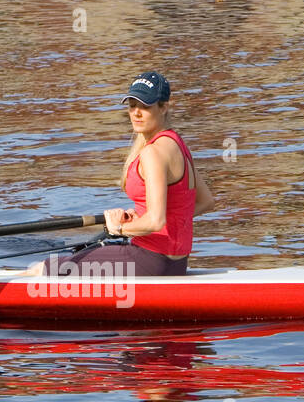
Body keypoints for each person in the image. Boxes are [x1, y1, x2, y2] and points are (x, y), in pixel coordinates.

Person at [35, 71, 215, 277]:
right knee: (76, 257)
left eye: (145, 106)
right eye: (132, 106)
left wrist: (119, 228)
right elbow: (206, 201)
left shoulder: (152, 153)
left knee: (47, 267)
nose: (136, 113)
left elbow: (156, 221)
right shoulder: (177, 144)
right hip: (176, 264)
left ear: (164, 107)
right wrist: (140, 219)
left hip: (150, 260)